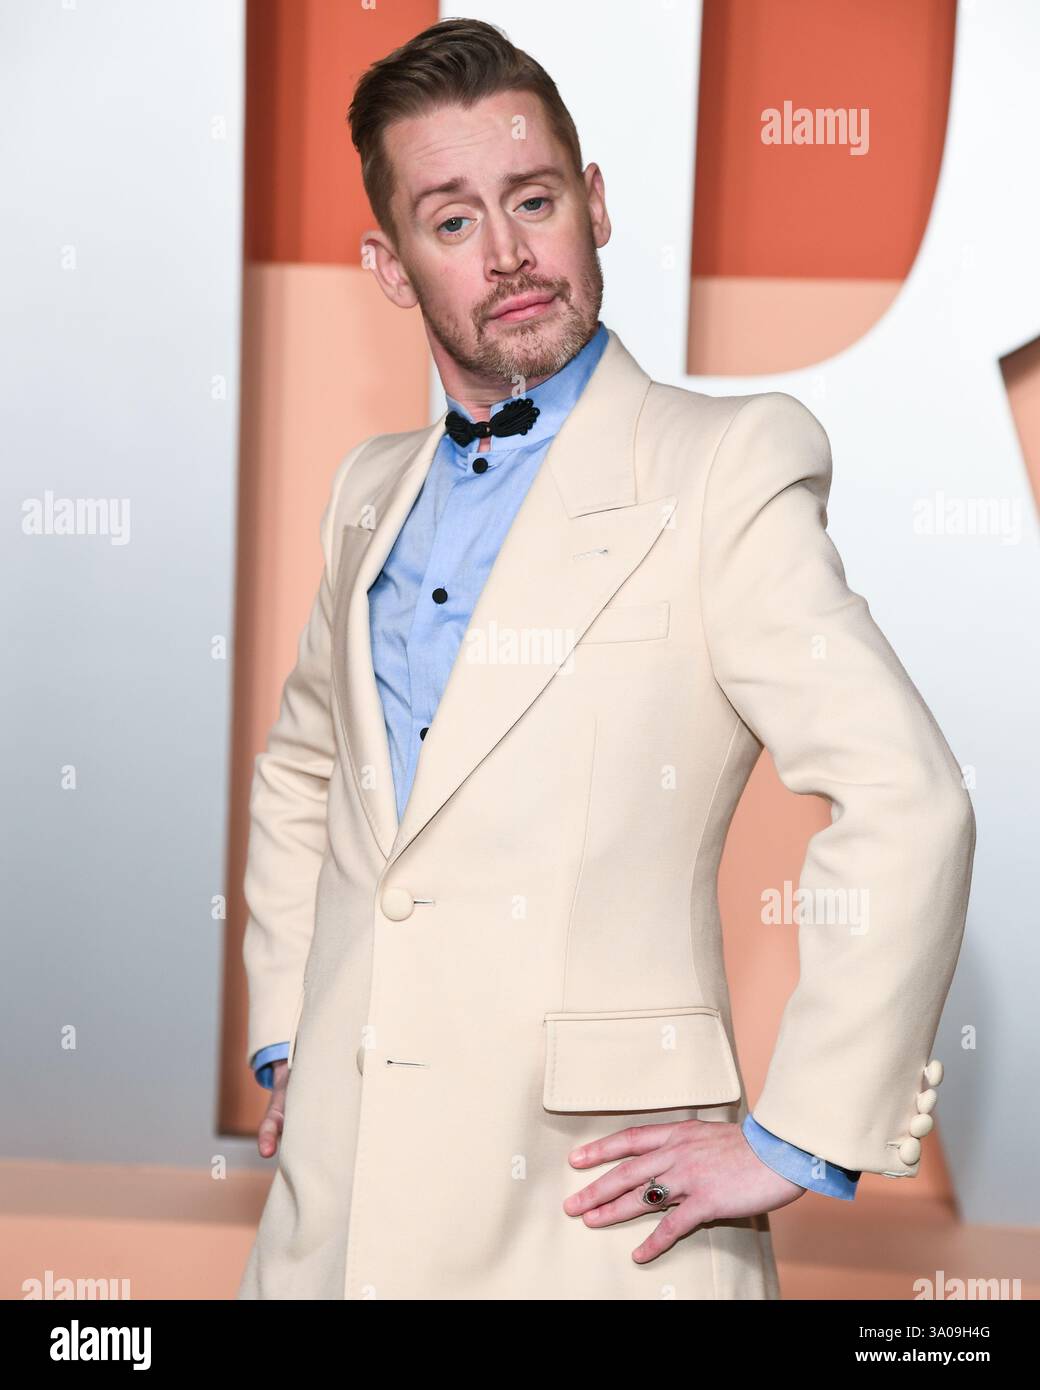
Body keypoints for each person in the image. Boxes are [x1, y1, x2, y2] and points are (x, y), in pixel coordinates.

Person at [237, 17, 975, 1300]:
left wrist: (794, 1134)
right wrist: (292, 1038)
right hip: (335, 1224)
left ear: (592, 205)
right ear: (392, 268)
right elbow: (309, 771)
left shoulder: (723, 465)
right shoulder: (367, 491)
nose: (511, 254)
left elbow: (905, 796)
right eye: (452, 220)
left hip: (593, 1231)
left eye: (532, 201)